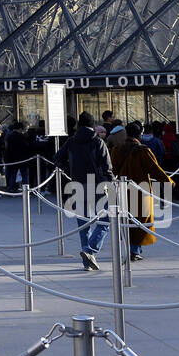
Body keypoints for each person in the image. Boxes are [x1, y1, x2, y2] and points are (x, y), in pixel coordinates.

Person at [54, 112, 113, 270]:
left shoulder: (71, 141)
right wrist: (111, 184)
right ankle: (90, 250)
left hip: (77, 184)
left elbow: (58, 158)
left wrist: (70, 170)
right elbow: (106, 166)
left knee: (83, 224)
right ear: (93, 124)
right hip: (97, 185)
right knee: (105, 221)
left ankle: (87, 260)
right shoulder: (97, 141)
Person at [114, 122, 175, 261]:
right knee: (140, 220)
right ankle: (135, 250)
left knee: (126, 219)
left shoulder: (117, 149)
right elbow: (155, 169)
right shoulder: (142, 150)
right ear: (140, 134)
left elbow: (114, 169)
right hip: (141, 191)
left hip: (123, 190)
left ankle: (132, 248)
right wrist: (169, 182)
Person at [4, 121, 29, 190]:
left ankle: (11, 188)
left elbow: (7, 148)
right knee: (24, 174)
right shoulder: (22, 136)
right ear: (20, 128)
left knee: (13, 174)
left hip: (13, 158)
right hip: (23, 158)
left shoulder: (10, 137)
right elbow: (26, 147)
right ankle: (25, 188)